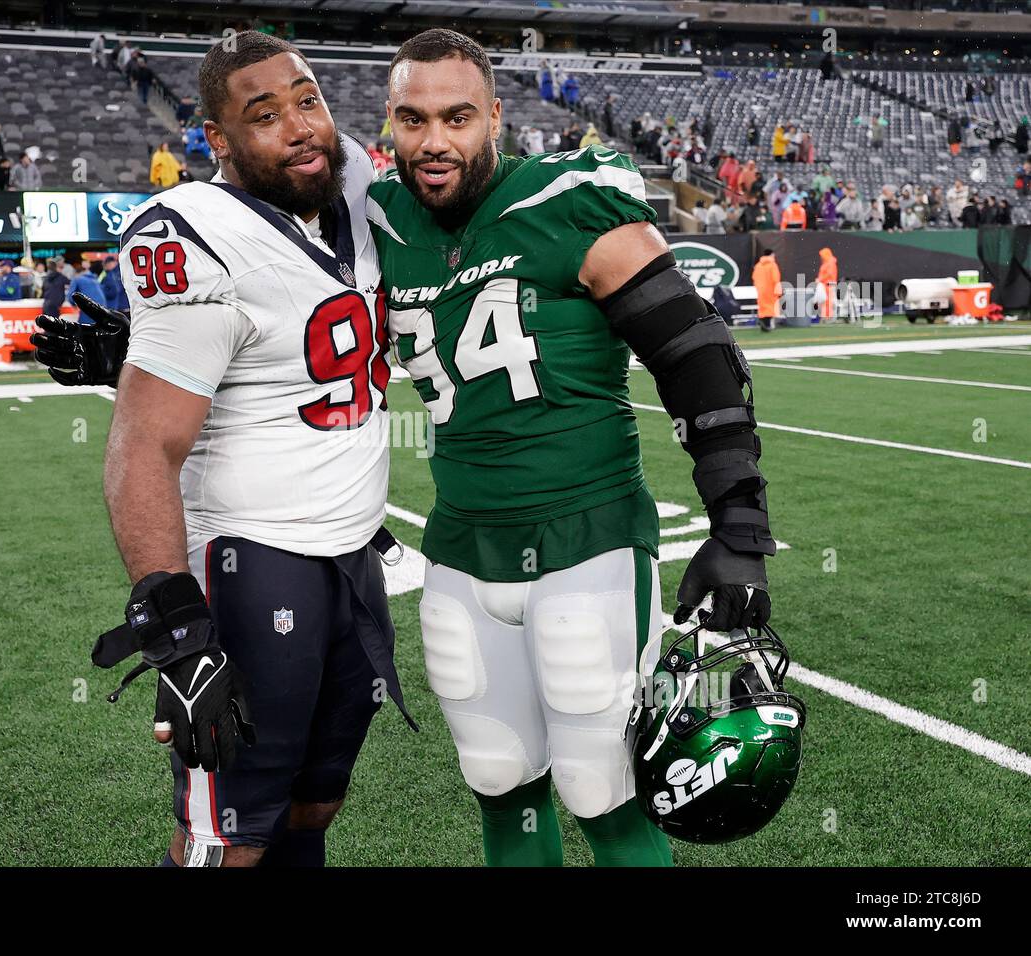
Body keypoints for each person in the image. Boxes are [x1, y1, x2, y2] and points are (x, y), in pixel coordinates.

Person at [38, 28, 783, 869]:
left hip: (586, 537)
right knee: (501, 782)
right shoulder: (379, 215)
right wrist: (131, 351)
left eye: (458, 117)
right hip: (458, 549)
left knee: (599, 787)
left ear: (496, 115)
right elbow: (272, 344)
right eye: (412, 119)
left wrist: (740, 526)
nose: (435, 141)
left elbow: (697, 355)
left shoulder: (549, 200)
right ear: (386, 126)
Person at [32, 31, 409, 868]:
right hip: (252, 553)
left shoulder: (352, 182)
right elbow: (144, 445)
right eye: (263, 115)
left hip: (352, 553)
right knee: (231, 833)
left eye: (306, 100)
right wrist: (174, 622)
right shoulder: (194, 232)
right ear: (218, 138)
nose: (299, 126)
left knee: (316, 803)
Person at [66, 258, 106, 323]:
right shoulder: (95, 280)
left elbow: (70, 297)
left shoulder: (76, 279)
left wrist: (74, 305)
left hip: (89, 310)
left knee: (84, 329)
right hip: (103, 310)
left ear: (75, 273)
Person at [752, 248, 782, 332]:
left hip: (760, 289)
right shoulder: (772, 265)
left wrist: (758, 286)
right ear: (772, 254)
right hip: (770, 289)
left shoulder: (758, 265)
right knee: (770, 308)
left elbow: (754, 277)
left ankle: (763, 322)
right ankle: (767, 325)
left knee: (763, 307)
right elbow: (775, 279)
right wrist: (778, 291)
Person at [815, 247, 837, 321]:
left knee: (828, 301)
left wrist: (820, 279)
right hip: (825, 284)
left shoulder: (830, 263)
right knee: (825, 301)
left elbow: (829, 274)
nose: (821, 257)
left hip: (828, 284)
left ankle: (828, 317)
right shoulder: (827, 262)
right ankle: (825, 316)